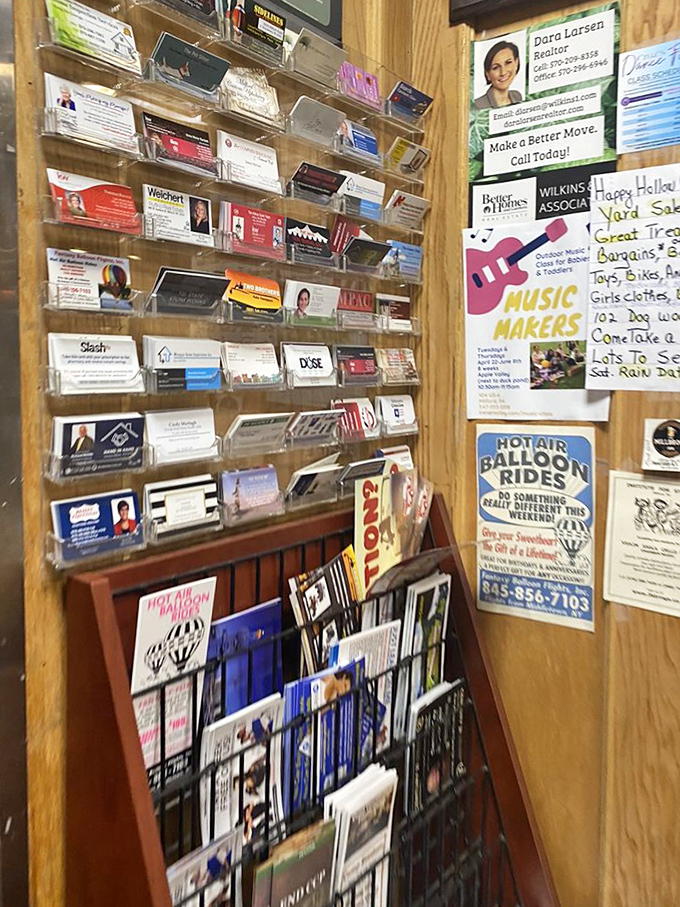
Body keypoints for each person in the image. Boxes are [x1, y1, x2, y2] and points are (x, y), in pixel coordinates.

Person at [474, 40, 522, 109]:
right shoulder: (478, 105)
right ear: (487, 74)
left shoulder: (517, 96)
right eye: (495, 67)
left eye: (508, 63)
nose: (503, 72)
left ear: (516, 63)